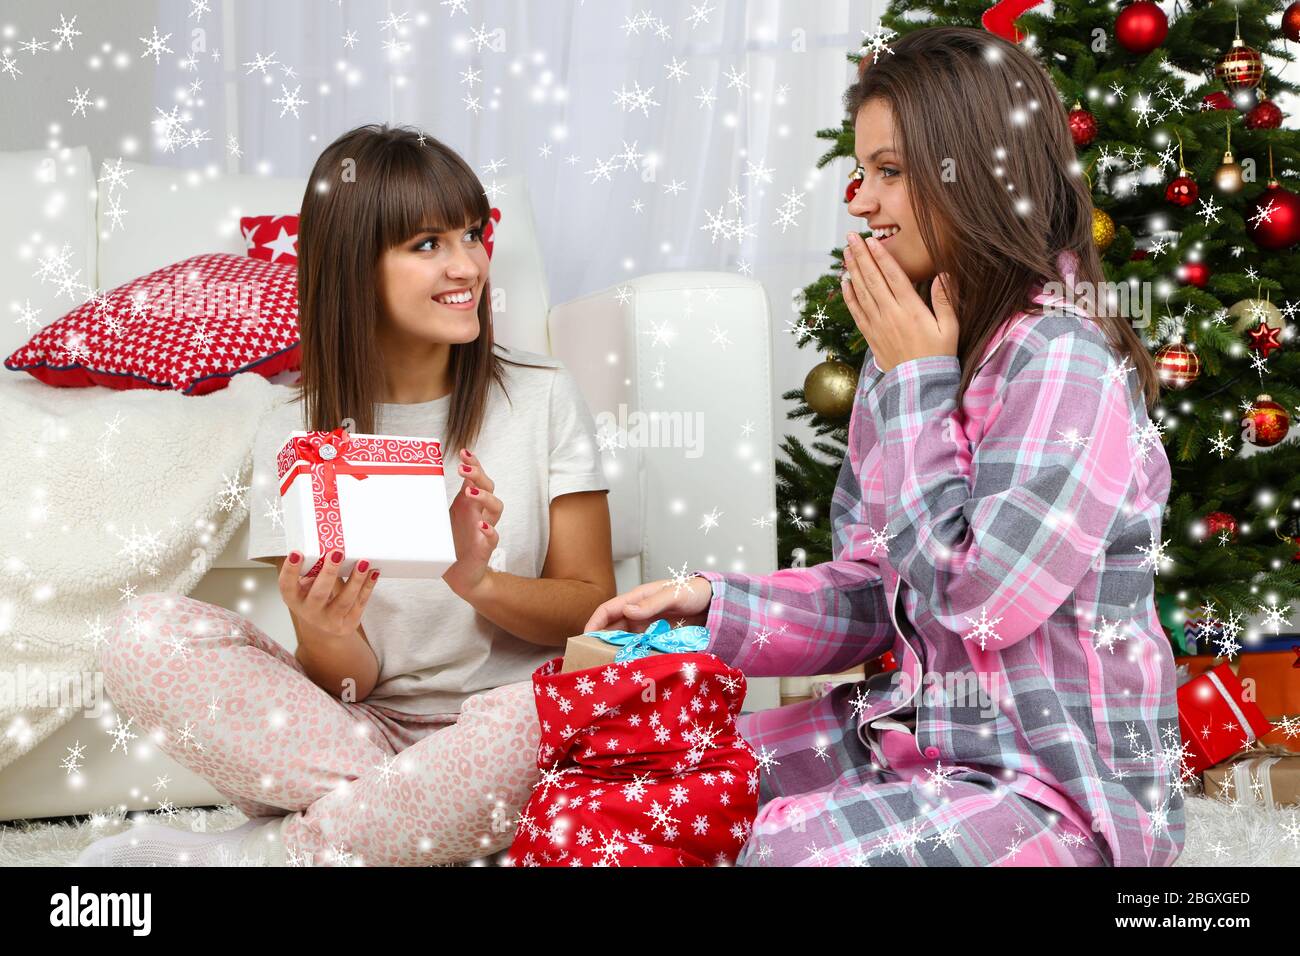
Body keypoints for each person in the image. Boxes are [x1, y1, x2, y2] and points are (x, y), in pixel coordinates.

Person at [586, 27, 1181, 867]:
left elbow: (981, 605)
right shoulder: (904, 354)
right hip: (909, 736)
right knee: (647, 798)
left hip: (1056, 791)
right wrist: (712, 604)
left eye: (890, 172)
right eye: (863, 172)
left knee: (786, 856)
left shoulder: (1061, 361)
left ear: (978, 173)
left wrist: (917, 382)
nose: (859, 200)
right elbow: (881, 595)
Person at [77, 124, 616, 867]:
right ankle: (400, 826)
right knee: (142, 635)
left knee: (546, 719)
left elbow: (595, 606)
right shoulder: (294, 432)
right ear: (355, 267)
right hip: (359, 732)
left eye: (471, 233)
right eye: (427, 244)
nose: (467, 266)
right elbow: (350, 685)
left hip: (504, 723)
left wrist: (480, 582)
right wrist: (324, 630)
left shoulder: (543, 396)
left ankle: (268, 854)